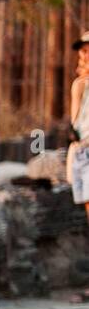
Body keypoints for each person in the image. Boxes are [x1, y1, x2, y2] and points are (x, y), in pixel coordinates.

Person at [67, 30, 89, 221]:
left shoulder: (81, 85)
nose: (83, 56)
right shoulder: (80, 84)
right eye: (83, 51)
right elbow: (75, 125)